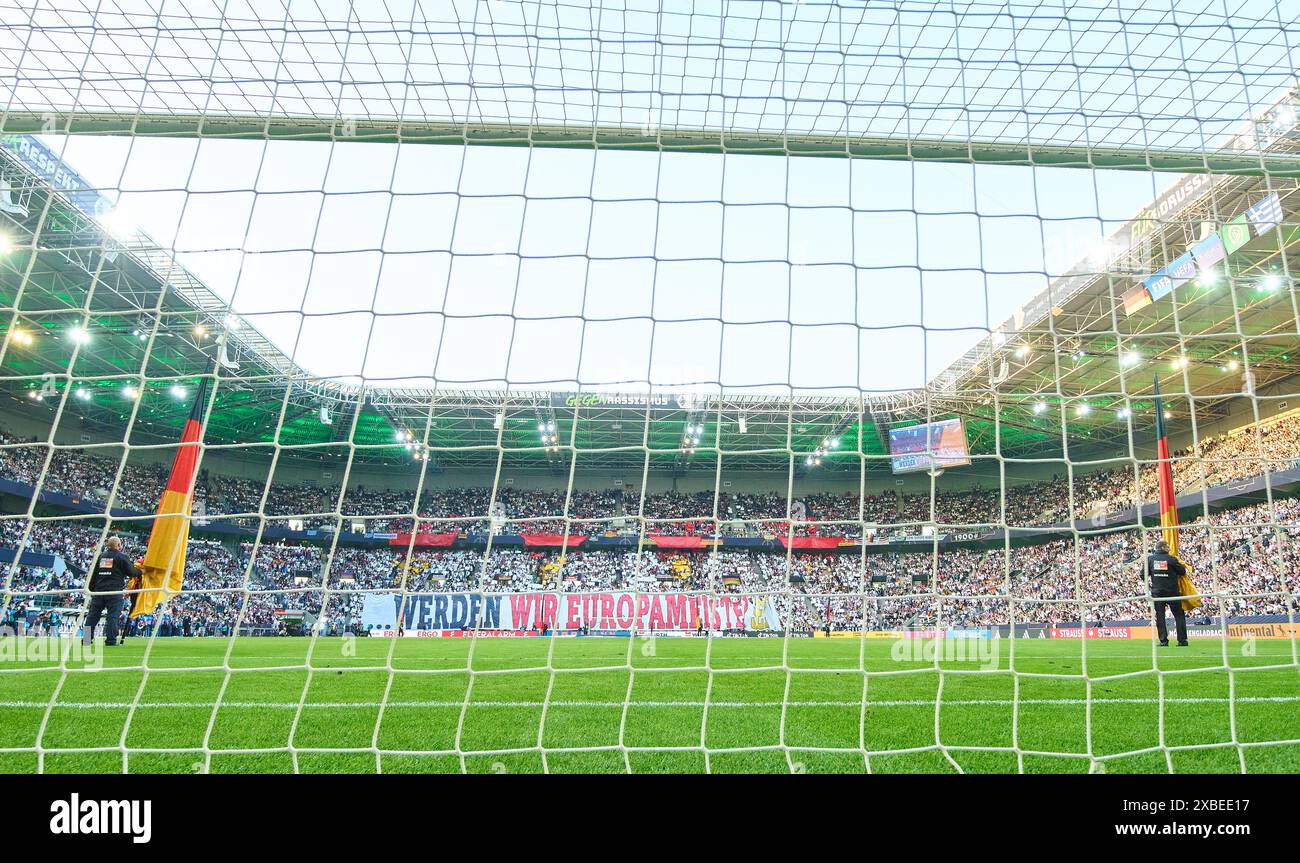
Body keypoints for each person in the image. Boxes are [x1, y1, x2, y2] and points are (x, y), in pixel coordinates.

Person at [84, 536, 141, 647]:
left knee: (92, 616)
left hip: (99, 591)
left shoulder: (101, 556)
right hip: (114, 592)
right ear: (118, 545)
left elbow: (94, 574)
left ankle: (86, 640)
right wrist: (141, 571)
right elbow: (131, 572)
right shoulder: (122, 557)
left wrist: (92, 589)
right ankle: (110, 641)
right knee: (113, 616)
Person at [1145, 539, 1188, 647]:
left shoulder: (1150, 559)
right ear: (1163, 548)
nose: (1169, 548)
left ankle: (1163, 640)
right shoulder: (1172, 559)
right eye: (1168, 546)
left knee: (1160, 616)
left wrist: (1154, 582)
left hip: (1157, 592)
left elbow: (1143, 574)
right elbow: (1182, 572)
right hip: (1172, 591)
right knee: (1179, 615)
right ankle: (1182, 640)